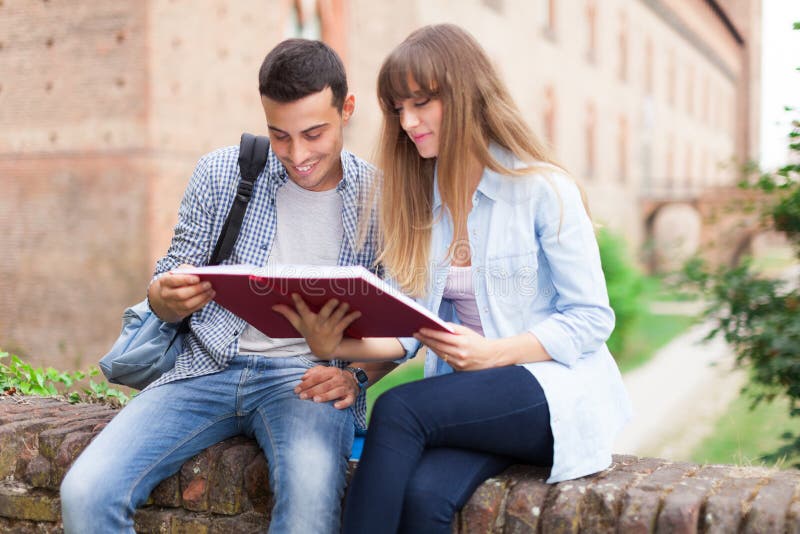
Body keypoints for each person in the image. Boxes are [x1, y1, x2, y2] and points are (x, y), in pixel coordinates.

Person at [273, 24, 632, 533]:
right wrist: (341, 346)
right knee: (425, 500)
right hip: (468, 403)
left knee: (398, 409)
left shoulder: (542, 189)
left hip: (554, 392)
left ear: (465, 95)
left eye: (421, 102)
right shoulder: (426, 203)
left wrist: (494, 354)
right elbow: (411, 327)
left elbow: (593, 319)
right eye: (398, 108)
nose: (408, 121)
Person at [59, 38, 395, 534]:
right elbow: (168, 276)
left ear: (347, 109)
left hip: (309, 381)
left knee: (307, 516)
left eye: (314, 133)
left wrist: (357, 375)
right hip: (205, 367)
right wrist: (163, 298)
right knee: (85, 493)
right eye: (280, 135)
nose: (297, 154)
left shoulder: (380, 198)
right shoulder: (224, 172)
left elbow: (405, 324)